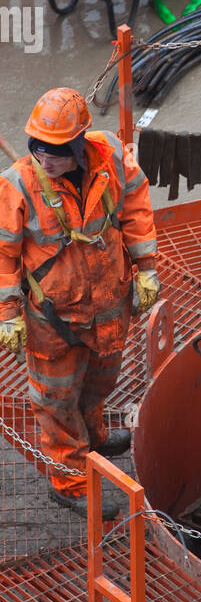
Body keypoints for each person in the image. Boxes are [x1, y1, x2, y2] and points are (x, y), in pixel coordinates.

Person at [0, 89, 160, 519]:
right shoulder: (17, 185)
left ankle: (92, 437)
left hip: (108, 308)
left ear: (77, 146)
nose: (43, 158)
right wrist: (8, 315)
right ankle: (69, 482)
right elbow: (3, 256)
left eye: (53, 151)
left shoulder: (110, 158)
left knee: (98, 383)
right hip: (54, 322)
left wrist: (146, 267)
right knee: (56, 401)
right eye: (36, 147)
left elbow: (136, 206)